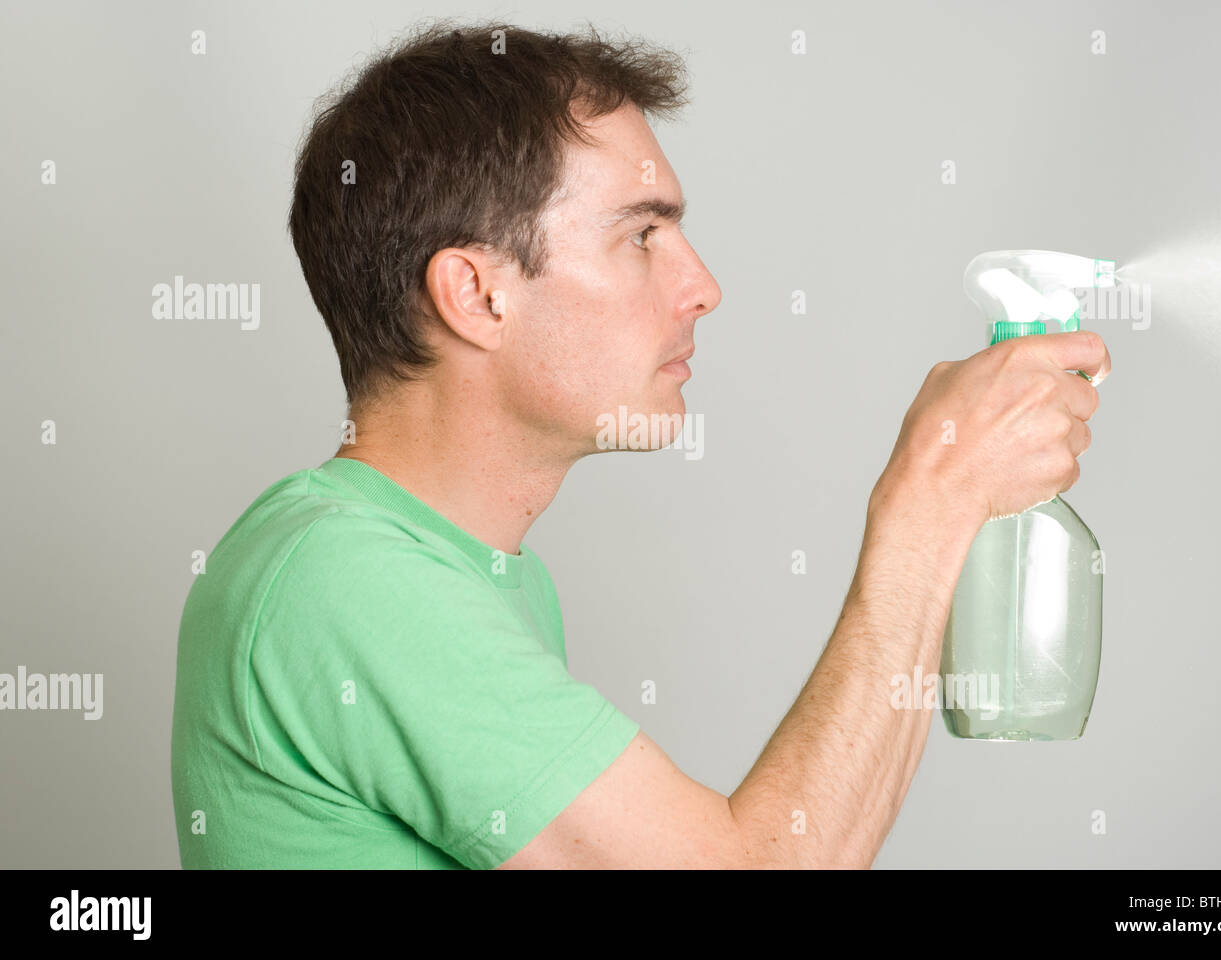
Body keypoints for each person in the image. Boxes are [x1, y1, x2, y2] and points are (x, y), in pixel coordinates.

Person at [170, 18, 1110, 869]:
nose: (702, 286)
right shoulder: (348, 579)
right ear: (476, 294)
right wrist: (931, 500)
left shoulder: (479, 576)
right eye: (642, 235)